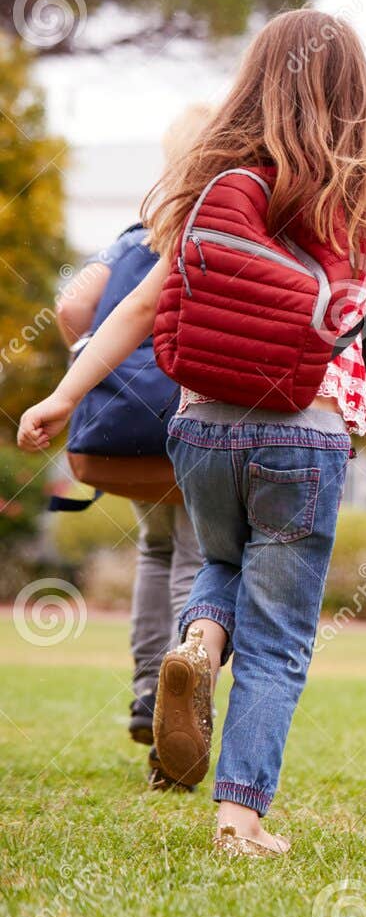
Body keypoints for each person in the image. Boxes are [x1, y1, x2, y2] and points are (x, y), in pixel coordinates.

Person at [18, 9, 366, 857]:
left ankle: (197, 641)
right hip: (305, 434)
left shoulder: (216, 189)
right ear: (355, 97)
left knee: (219, 565)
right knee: (283, 638)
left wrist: (62, 392)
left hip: (198, 428)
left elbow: (139, 306)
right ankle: (239, 817)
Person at [54, 106, 210, 765]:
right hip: (191, 421)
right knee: (196, 560)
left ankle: (148, 695)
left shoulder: (129, 237)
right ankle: (184, 701)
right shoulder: (216, 232)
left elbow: (69, 308)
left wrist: (93, 368)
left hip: (125, 434)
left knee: (154, 550)